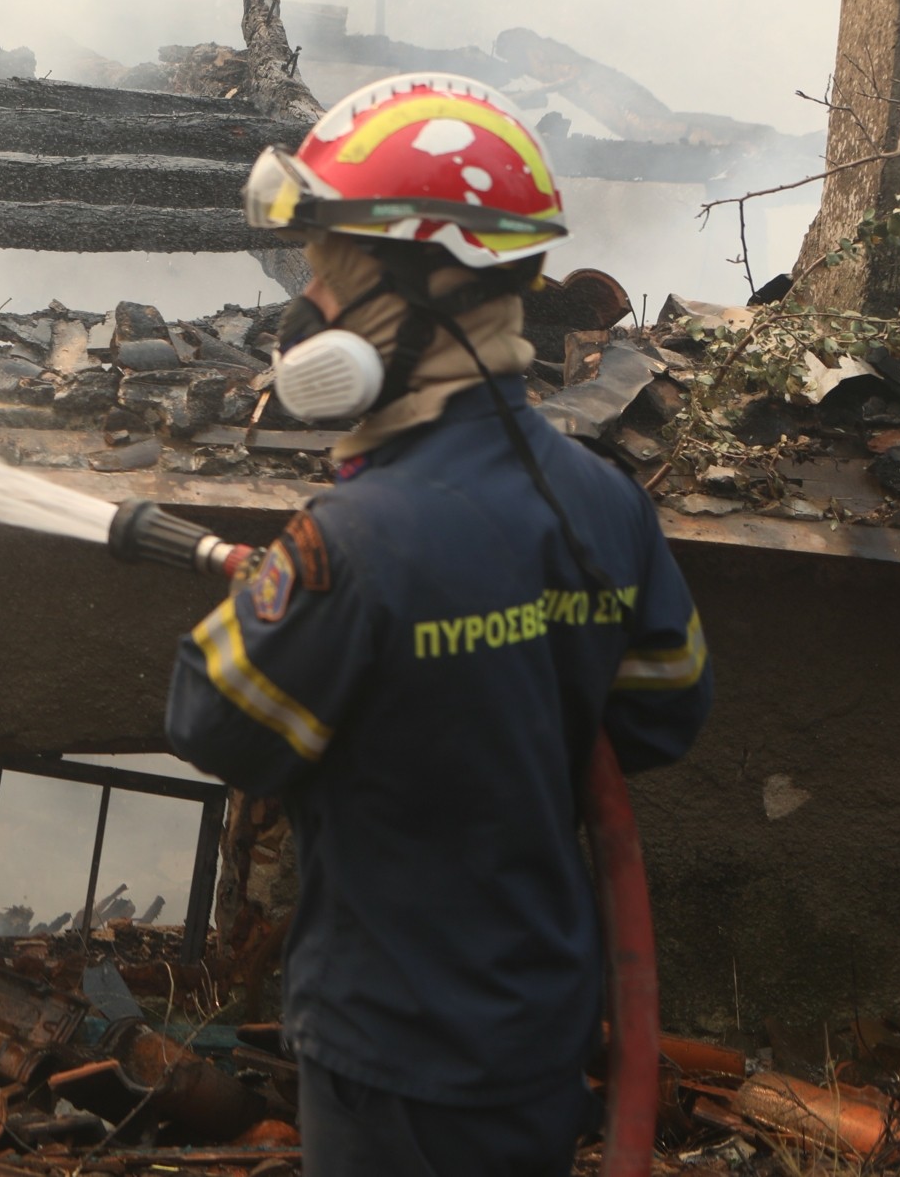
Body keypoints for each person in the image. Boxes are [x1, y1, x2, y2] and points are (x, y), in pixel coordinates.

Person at [165, 73, 712, 1177]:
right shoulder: (605, 504)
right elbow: (661, 715)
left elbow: (213, 723)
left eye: (328, 272)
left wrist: (311, 605)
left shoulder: (355, 542)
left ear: (424, 291)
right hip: (537, 1024)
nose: (304, 308)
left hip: (388, 1041)